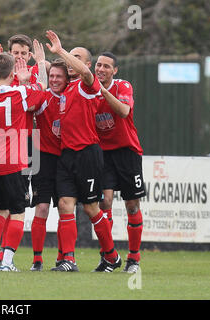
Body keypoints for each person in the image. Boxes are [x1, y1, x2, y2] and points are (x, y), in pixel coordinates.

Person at [45, 30, 121, 272]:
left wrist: (61, 51)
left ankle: (111, 255)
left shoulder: (88, 85)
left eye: (75, 57)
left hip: (88, 154)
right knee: (66, 204)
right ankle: (69, 260)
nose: (70, 61)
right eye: (70, 56)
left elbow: (87, 73)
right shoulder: (66, 89)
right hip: (67, 155)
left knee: (91, 209)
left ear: (86, 63)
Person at [0, 41, 47, 272]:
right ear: (12, 72)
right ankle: (7, 261)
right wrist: (39, 63)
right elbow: (43, 87)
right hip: (11, 161)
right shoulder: (20, 93)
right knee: (17, 211)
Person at [94, 52, 145, 273]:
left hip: (127, 152)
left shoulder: (123, 86)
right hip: (103, 154)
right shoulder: (86, 89)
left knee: (132, 205)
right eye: (98, 65)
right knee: (104, 203)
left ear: (115, 71)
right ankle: (108, 256)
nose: (101, 69)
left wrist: (102, 92)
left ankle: (133, 258)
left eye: (106, 66)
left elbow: (124, 111)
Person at [29, 59, 69, 271]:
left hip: (67, 160)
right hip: (43, 158)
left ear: (66, 79)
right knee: (42, 208)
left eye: (58, 76)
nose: (54, 80)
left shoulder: (73, 96)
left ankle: (64, 258)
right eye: (51, 76)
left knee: (65, 209)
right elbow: (26, 104)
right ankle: (37, 260)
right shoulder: (43, 97)